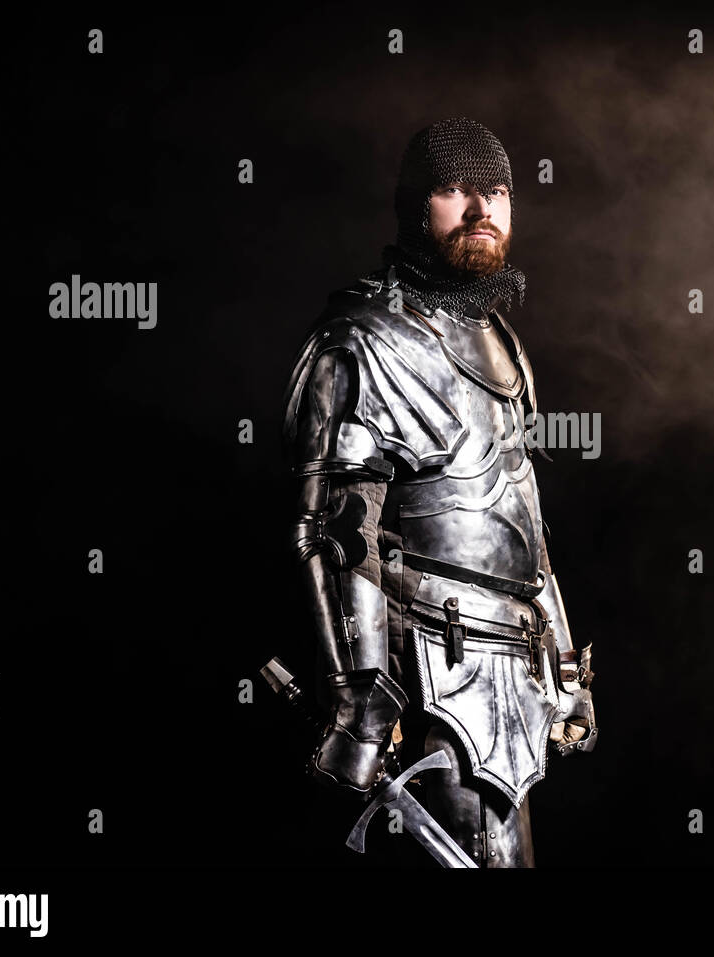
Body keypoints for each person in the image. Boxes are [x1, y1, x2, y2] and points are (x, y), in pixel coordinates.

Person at [280, 116, 597, 867]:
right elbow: (337, 536)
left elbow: (524, 529)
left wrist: (563, 669)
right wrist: (361, 699)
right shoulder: (365, 341)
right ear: (417, 207)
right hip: (426, 681)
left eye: (496, 191)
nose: (482, 209)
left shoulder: (505, 348)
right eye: (457, 190)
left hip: (513, 682)